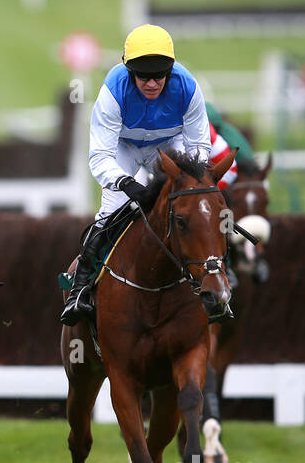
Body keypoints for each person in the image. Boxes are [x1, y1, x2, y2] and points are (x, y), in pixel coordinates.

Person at [61, 24, 213, 326]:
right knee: (111, 210)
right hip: (124, 147)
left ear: (170, 70)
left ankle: (221, 276)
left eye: (160, 74)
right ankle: (81, 289)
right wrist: (127, 183)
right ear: (128, 69)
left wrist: (191, 183)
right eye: (143, 75)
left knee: (198, 206)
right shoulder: (113, 89)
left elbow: (198, 147)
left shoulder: (188, 86)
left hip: (170, 145)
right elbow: (101, 156)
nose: (153, 83)